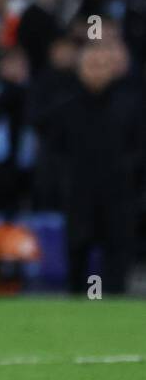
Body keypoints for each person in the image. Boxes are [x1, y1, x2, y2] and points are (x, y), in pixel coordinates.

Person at [49, 40, 141, 295]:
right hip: (79, 195)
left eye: (102, 65)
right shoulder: (65, 108)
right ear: (80, 69)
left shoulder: (131, 105)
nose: (97, 71)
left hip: (119, 196)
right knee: (77, 255)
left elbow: (139, 148)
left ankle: (115, 311)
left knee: (117, 257)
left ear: (112, 69)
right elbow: (55, 151)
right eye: (91, 65)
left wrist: (127, 173)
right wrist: (65, 180)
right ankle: (76, 308)